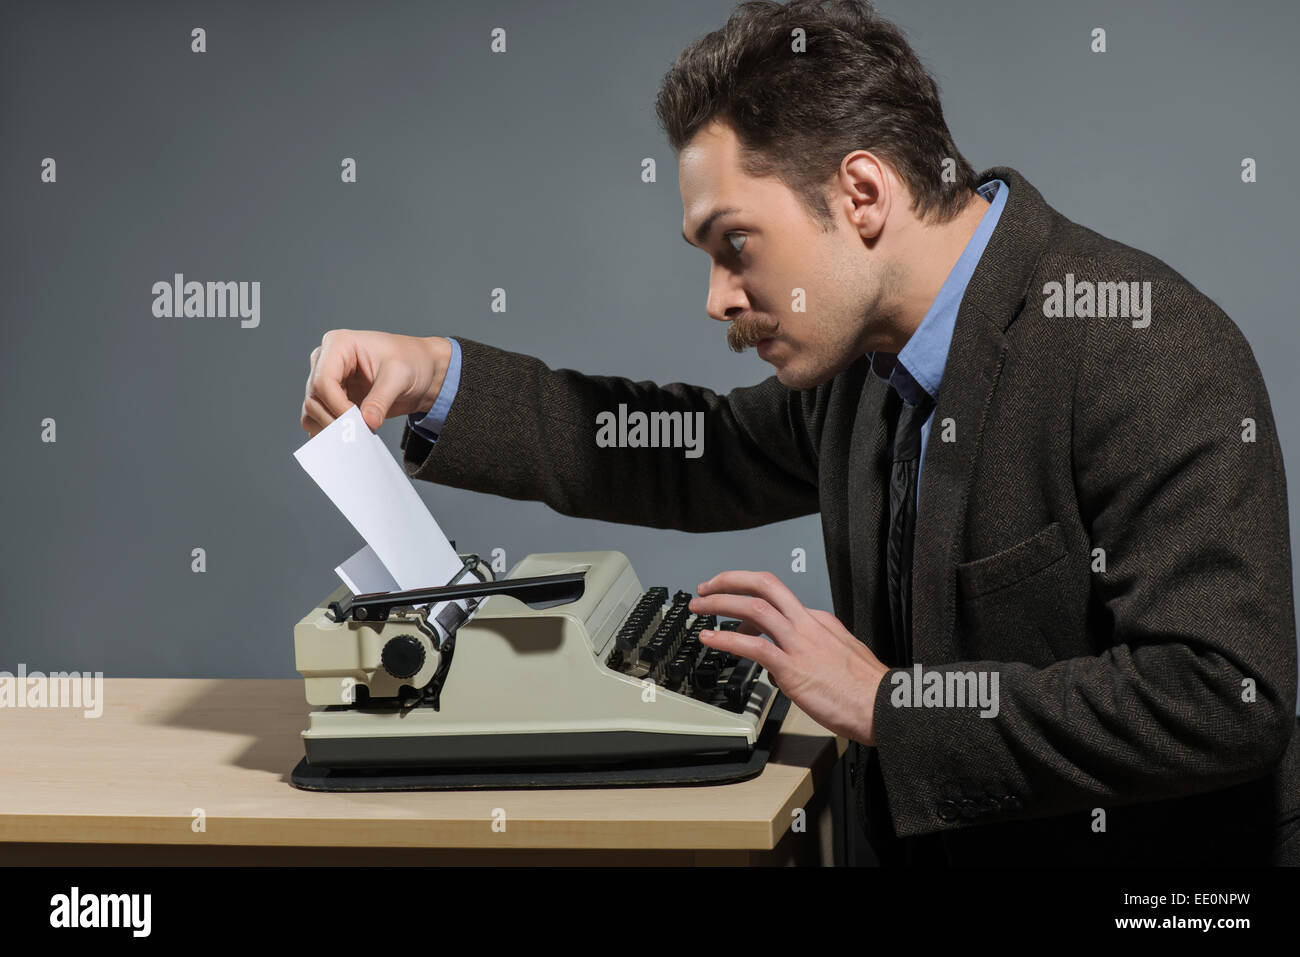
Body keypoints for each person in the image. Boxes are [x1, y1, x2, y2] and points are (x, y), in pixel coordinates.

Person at [300, 0, 1300, 865]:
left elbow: (1224, 696)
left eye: (736, 244)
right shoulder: (864, 361)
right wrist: (437, 376)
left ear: (860, 194)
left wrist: (891, 707)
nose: (716, 298)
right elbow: (693, 455)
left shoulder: (1148, 349)